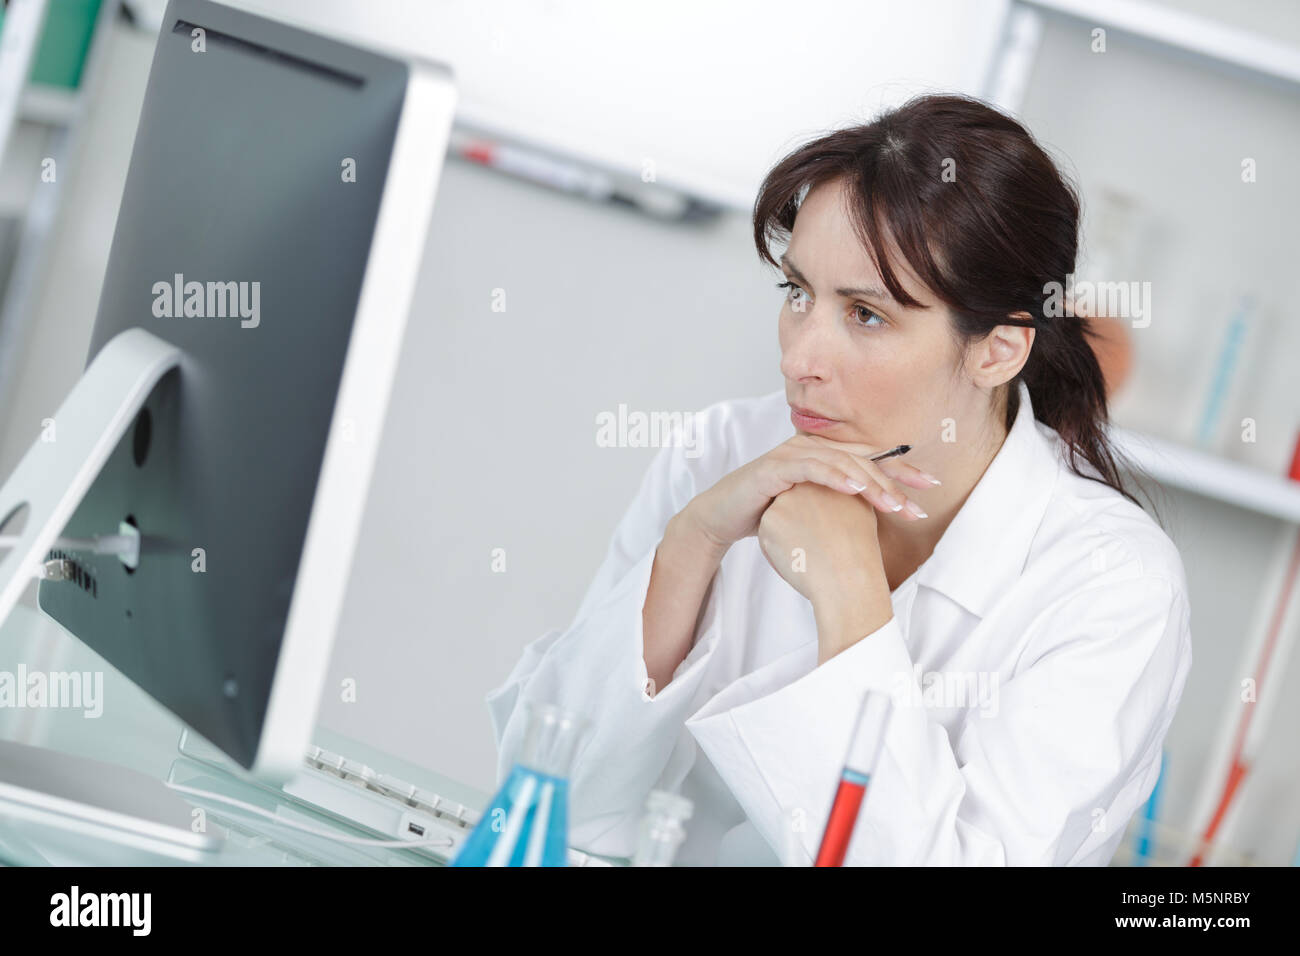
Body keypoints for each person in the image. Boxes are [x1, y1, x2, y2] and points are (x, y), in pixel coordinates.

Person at [485, 94, 1192, 866]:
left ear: (997, 350)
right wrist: (692, 541)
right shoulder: (722, 450)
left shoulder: (1111, 582)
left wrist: (850, 598)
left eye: (866, 315)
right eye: (797, 294)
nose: (798, 360)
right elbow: (541, 803)